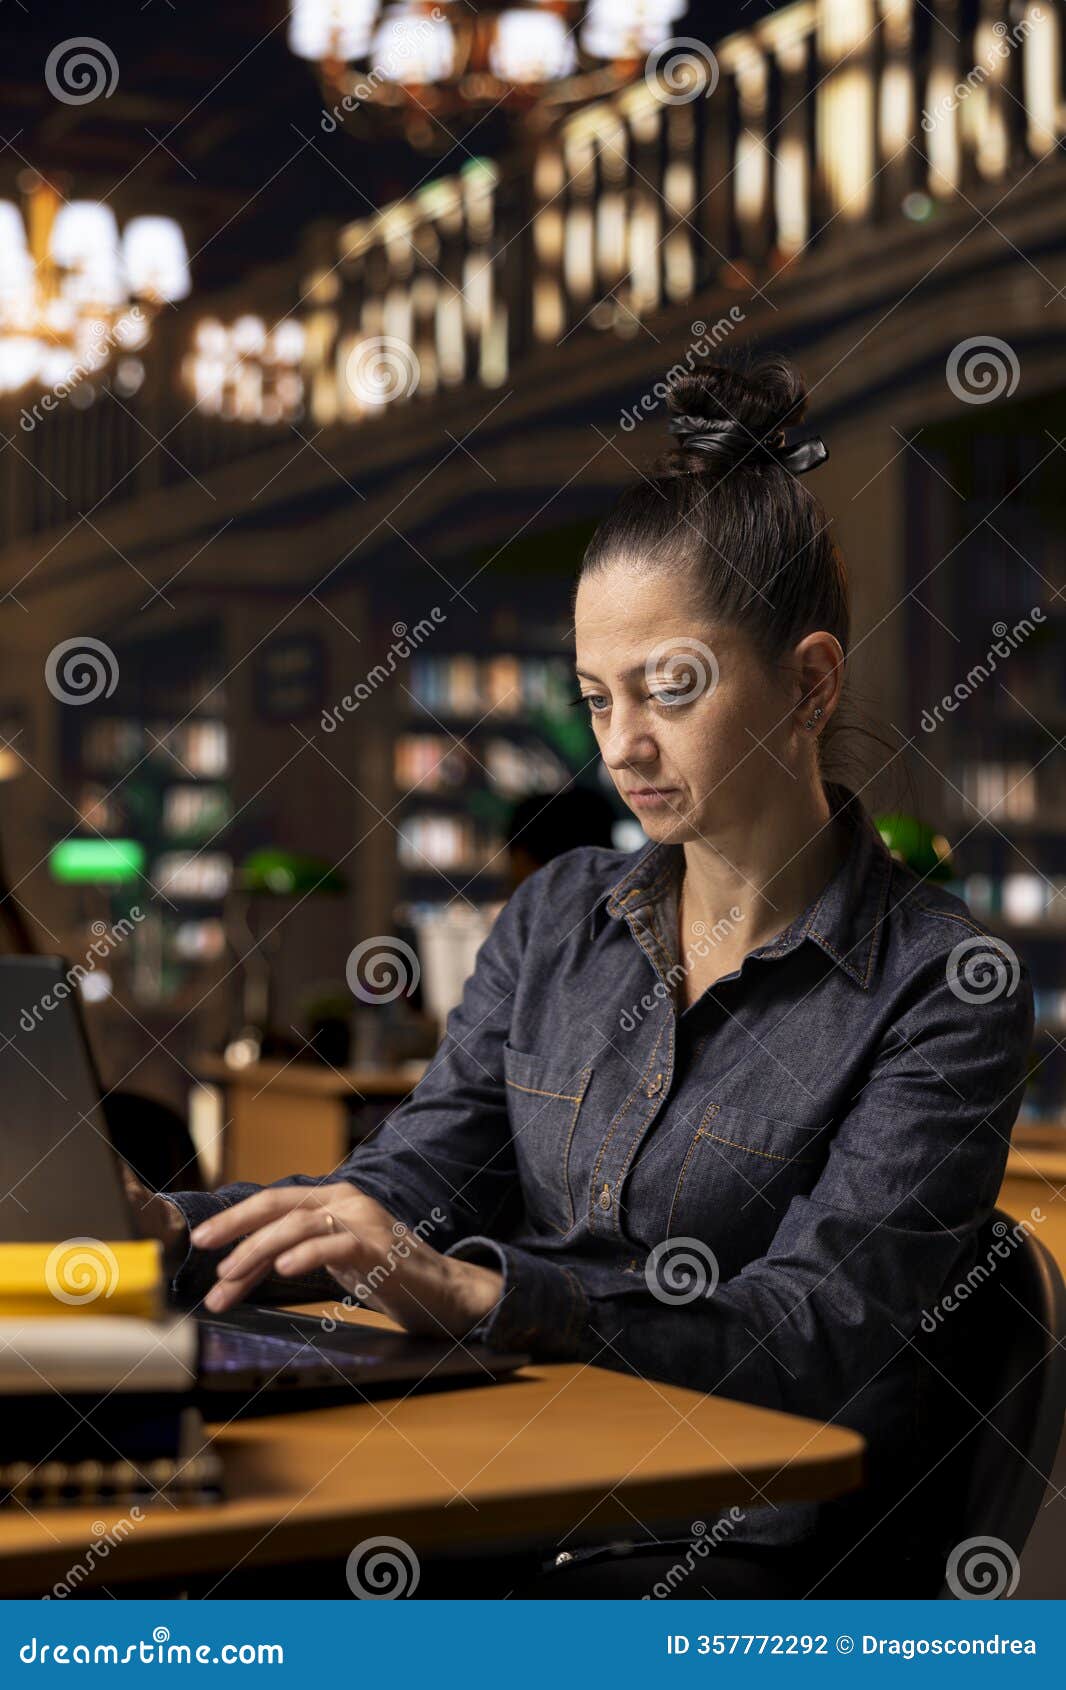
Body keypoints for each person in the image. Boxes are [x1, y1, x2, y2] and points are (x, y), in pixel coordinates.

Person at [127, 351, 1033, 1598]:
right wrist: (164, 1233)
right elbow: (412, 1179)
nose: (624, 745)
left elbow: (812, 1332)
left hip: (732, 1552)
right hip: (501, 1476)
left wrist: (486, 1294)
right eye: (597, 698)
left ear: (809, 683)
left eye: (670, 688)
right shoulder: (559, 915)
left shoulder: (941, 984)